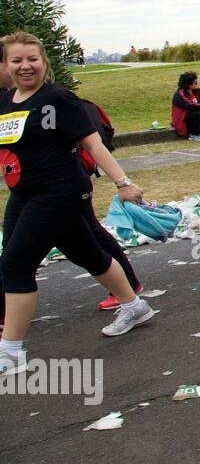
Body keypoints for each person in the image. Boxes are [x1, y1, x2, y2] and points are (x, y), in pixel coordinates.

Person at [0, 33, 156, 374]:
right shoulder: (6, 100)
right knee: (87, 253)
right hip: (24, 193)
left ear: (44, 62)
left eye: (32, 59)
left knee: (15, 264)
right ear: (7, 65)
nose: (25, 66)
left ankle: (10, 351)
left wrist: (123, 182)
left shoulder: (57, 99)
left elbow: (94, 144)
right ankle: (135, 306)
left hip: (59, 192)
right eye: (16, 60)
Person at [171, 71, 200, 140]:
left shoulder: (196, 90)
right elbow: (190, 105)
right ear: (188, 84)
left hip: (196, 114)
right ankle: (193, 134)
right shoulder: (179, 94)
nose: (197, 84)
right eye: (195, 82)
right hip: (183, 119)